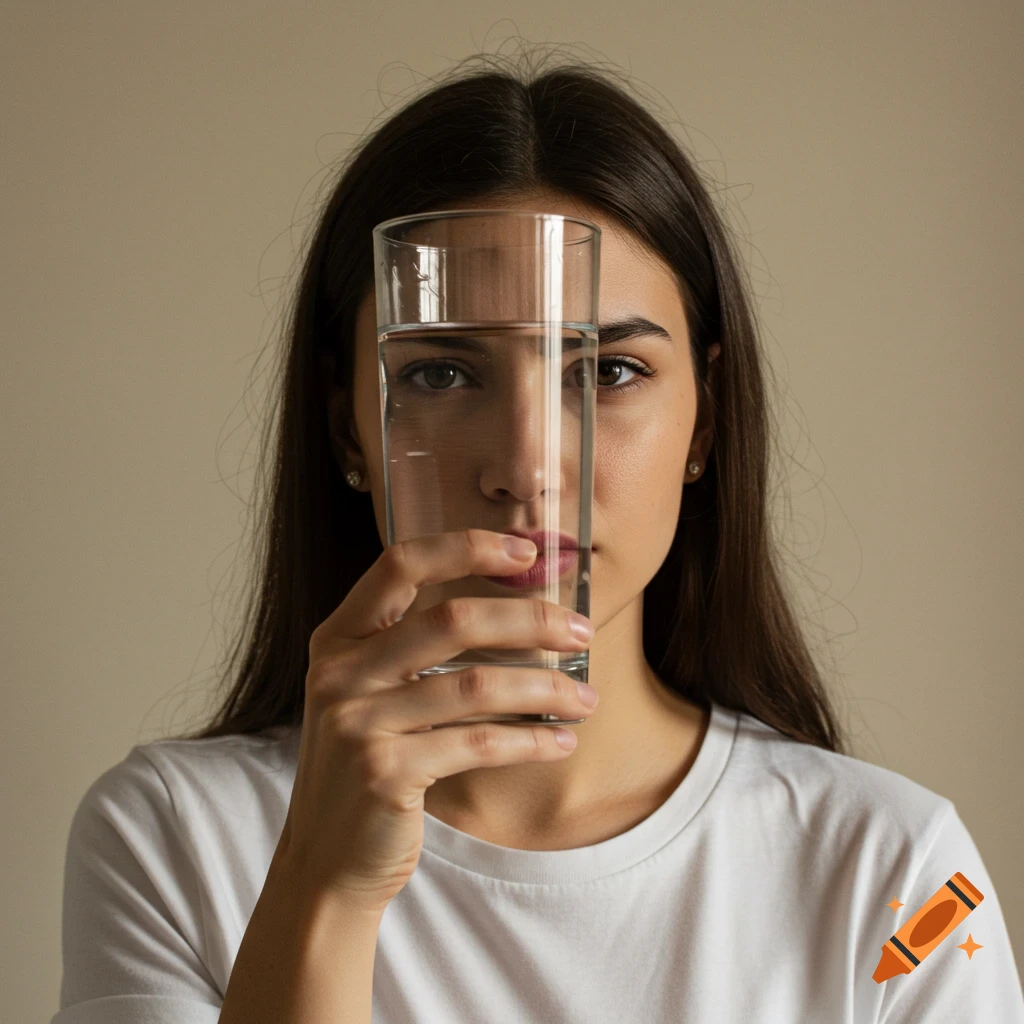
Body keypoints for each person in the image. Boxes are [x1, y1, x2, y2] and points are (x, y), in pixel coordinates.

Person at [52, 51, 1024, 1024]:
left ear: (708, 419)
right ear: (349, 424)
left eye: (606, 373)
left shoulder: (905, 872)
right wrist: (326, 887)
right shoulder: (171, 836)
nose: (525, 465)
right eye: (440, 374)